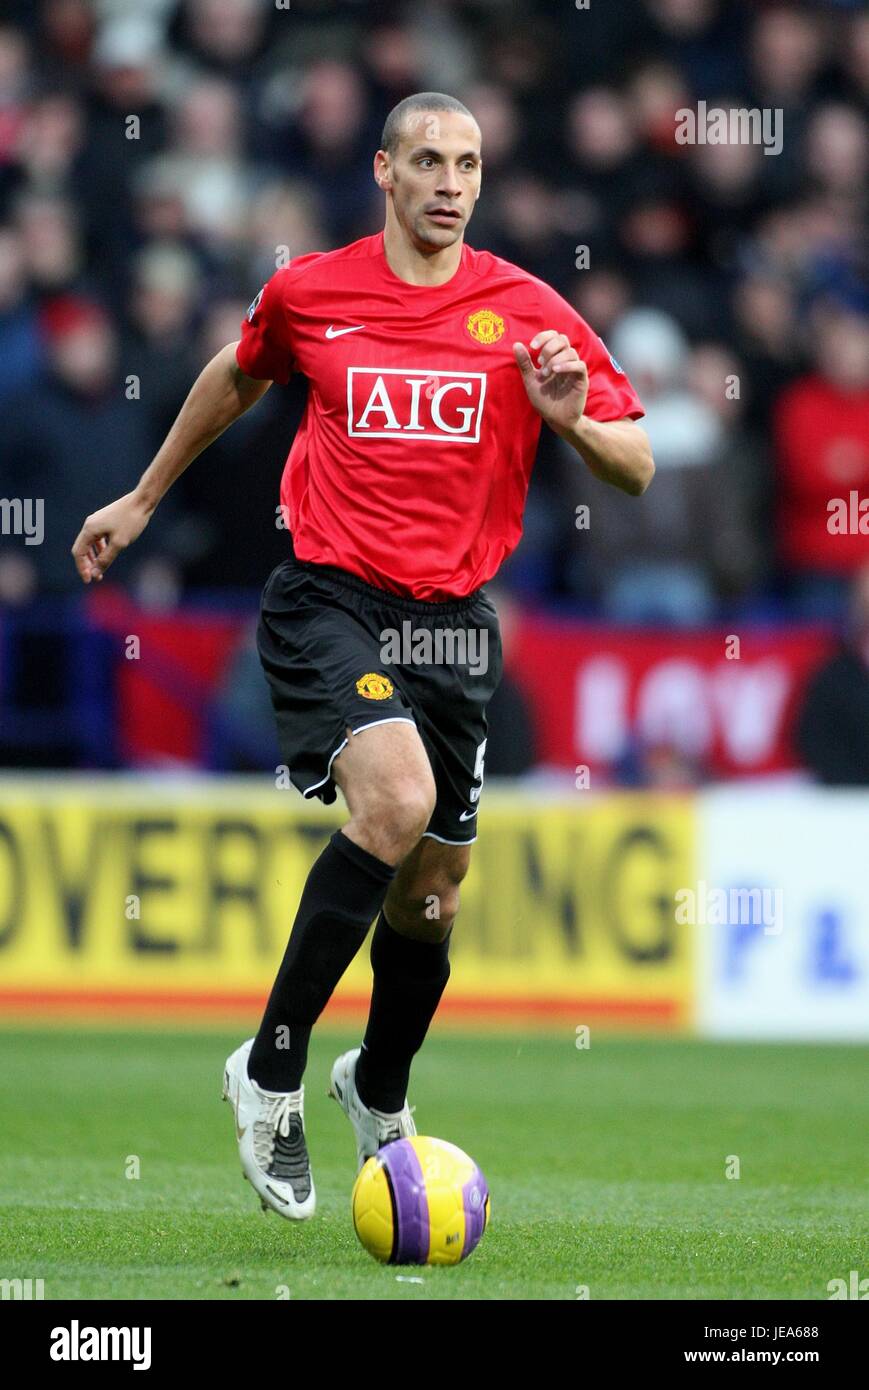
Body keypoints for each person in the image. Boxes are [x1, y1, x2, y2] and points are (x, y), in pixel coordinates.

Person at [71, 93, 653, 1221]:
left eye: (468, 163)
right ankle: (270, 1069)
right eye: (427, 159)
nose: (449, 181)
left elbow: (633, 463)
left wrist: (571, 419)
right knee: (394, 801)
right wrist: (143, 497)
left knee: (433, 891)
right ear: (383, 171)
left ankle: (374, 1085)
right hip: (326, 595)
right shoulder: (312, 292)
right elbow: (237, 372)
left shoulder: (527, 313)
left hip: (453, 624)